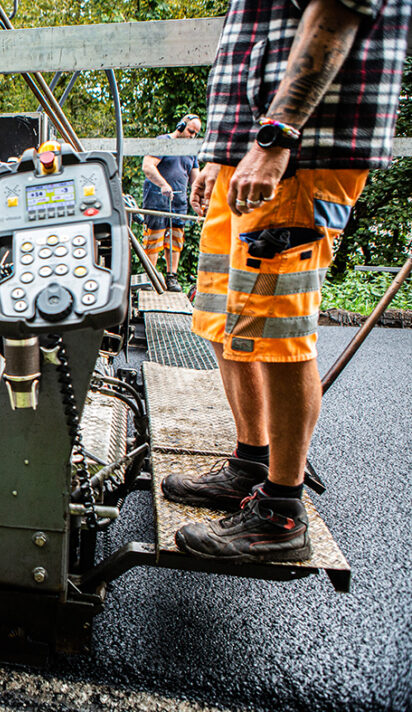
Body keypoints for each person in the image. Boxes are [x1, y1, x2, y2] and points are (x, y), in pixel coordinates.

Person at [161, 0, 409, 561]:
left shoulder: (284, 141)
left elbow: (338, 10)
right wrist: (217, 155)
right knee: (224, 317)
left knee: (276, 328)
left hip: (297, 149)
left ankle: (280, 510)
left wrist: (278, 136)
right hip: (243, 151)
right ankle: (252, 461)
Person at [141, 115, 202, 291]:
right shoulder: (163, 141)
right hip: (156, 201)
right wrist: (163, 184)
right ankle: (150, 277)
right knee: (153, 240)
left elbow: (195, 180)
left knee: (175, 241)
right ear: (181, 126)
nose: (192, 136)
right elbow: (148, 166)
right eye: (190, 131)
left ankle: (172, 277)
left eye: (196, 134)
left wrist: (201, 201)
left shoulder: (190, 151)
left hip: (179, 204)